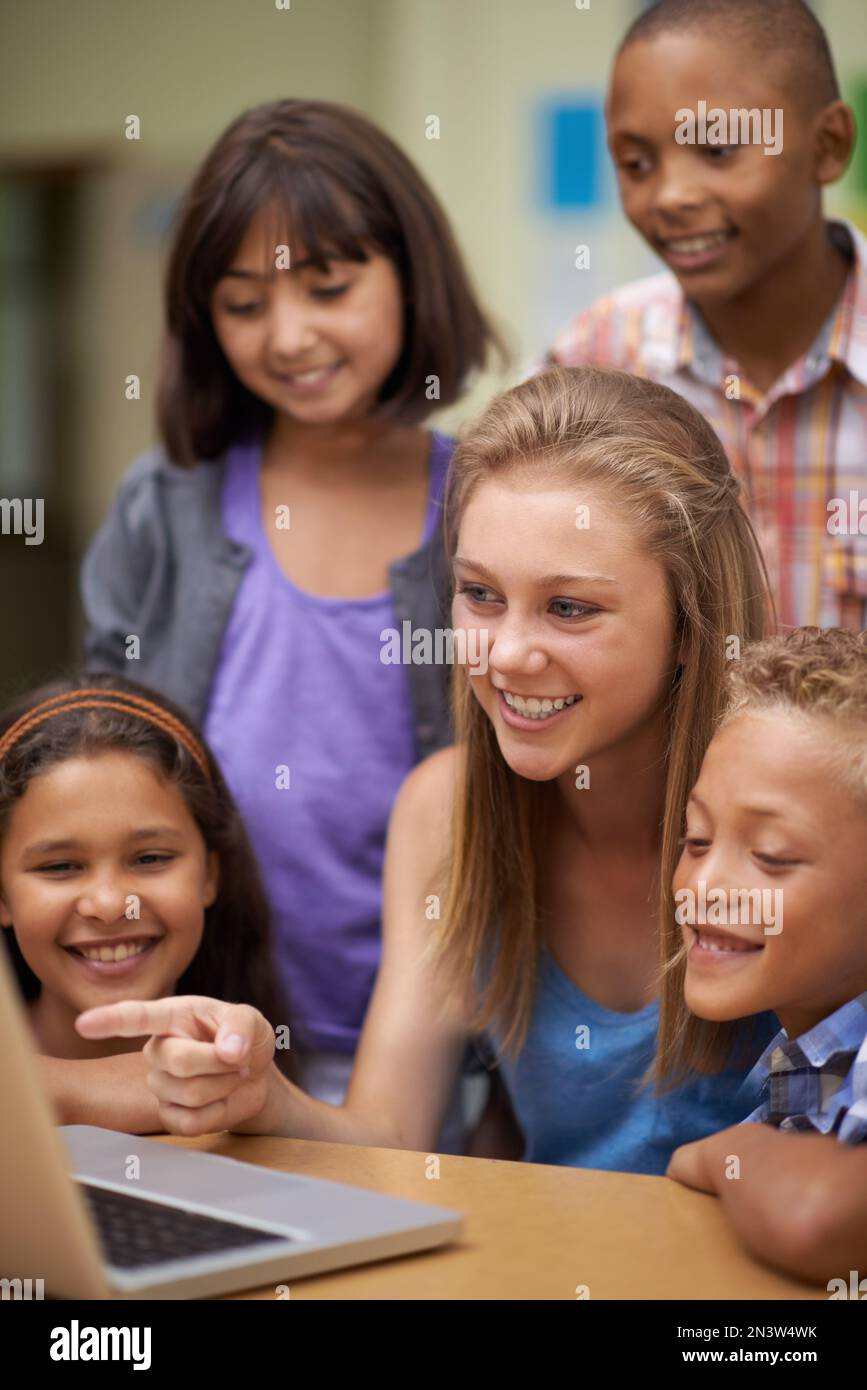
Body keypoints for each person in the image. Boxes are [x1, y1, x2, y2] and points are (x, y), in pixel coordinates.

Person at [80, 367, 778, 1174]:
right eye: (480, 595)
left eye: (569, 608)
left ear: (689, 624)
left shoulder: (798, 808)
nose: (505, 654)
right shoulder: (443, 811)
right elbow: (395, 1140)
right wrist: (265, 1098)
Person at [80, 99, 503, 1140]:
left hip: (436, 1046)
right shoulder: (164, 505)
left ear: (410, 271)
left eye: (330, 286)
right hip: (198, 1034)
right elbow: (96, 759)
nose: (291, 336)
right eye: (243, 303)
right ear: (202, 320)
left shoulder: (487, 507)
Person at [547, 0, 866, 632]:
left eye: (717, 150)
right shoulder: (599, 356)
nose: (669, 196)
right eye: (637, 164)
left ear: (827, 145)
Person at [0, 672, 290, 1134]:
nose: (112, 904)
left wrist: (271, 1099)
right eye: (59, 867)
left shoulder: (242, 1072)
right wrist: (83, 1090)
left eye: (150, 858)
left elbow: (390, 1154)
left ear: (209, 875)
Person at [665, 627, 867, 1283]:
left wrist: (726, 1153)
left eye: (770, 856)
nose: (700, 888)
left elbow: (817, 1214)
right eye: (695, 840)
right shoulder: (804, 1067)